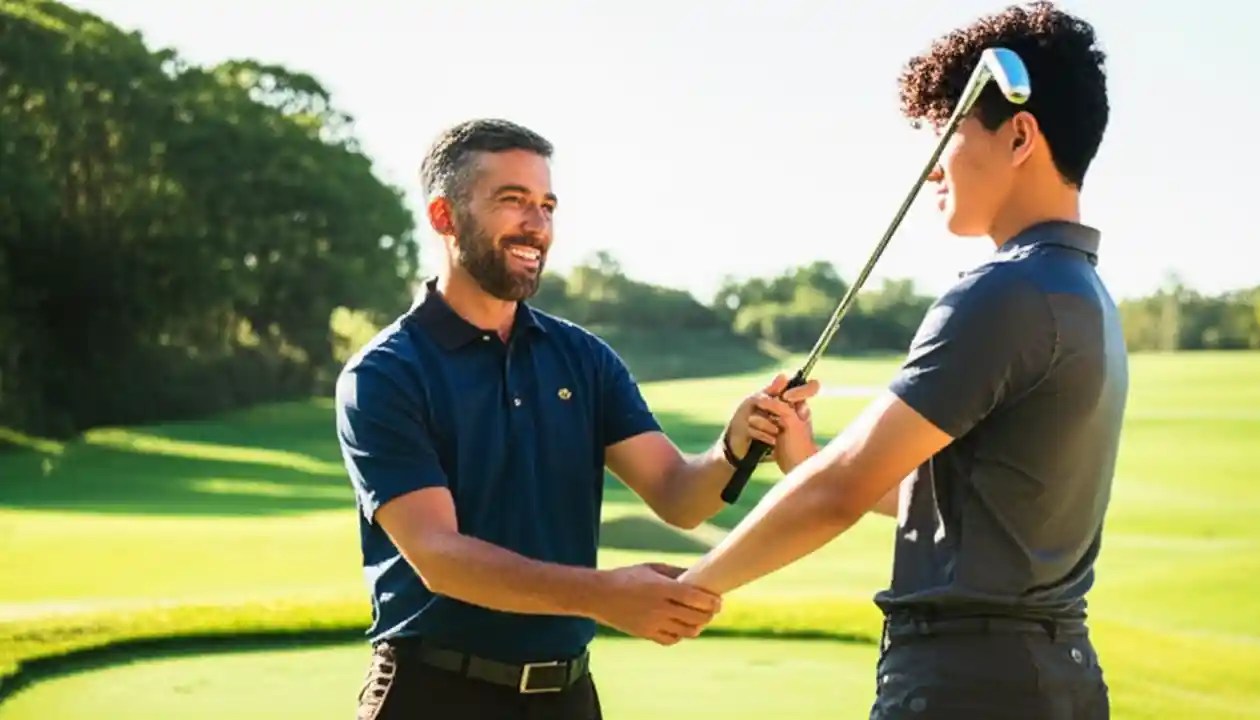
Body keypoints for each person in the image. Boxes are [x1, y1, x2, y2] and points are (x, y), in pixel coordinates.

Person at [679, 3, 1123, 718]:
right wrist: (809, 456)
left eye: (945, 140)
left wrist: (693, 583)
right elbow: (974, 508)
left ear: (1019, 135)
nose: (929, 176)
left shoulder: (1004, 291)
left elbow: (840, 492)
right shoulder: (1079, 291)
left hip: (969, 683)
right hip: (1050, 674)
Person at [335, 117, 818, 720]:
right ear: (443, 216)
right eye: (512, 202)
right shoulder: (385, 373)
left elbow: (678, 495)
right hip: (434, 696)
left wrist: (736, 443)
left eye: (547, 205)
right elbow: (439, 557)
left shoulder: (583, 358)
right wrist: (605, 595)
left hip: (567, 699)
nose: (536, 225)